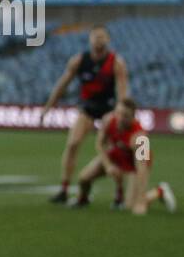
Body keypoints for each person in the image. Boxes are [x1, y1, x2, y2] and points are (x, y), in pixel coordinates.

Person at [41, 25, 129, 205]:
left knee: (114, 150)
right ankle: (64, 189)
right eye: (96, 36)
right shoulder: (79, 60)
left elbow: (122, 91)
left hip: (109, 109)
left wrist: (120, 114)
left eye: (102, 37)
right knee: (72, 144)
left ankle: (120, 193)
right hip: (88, 108)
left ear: (108, 40)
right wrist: (48, 107)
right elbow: (62, 85)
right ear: (90, 39)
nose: (99, 40)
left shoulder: (116, 62)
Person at [75, 99, 175, 215]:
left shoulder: (140, 137)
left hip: (133, 164)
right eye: (118, 113)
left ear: (133, 116)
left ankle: (159, 191)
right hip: (116, 154)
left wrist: (141, 202)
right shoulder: (108, 120)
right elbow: (100, 144)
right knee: (83, 178)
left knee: (132, 206)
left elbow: (142, 168)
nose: (121, 118)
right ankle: (83, 200)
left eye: (125, 116)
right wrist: (108, 166)